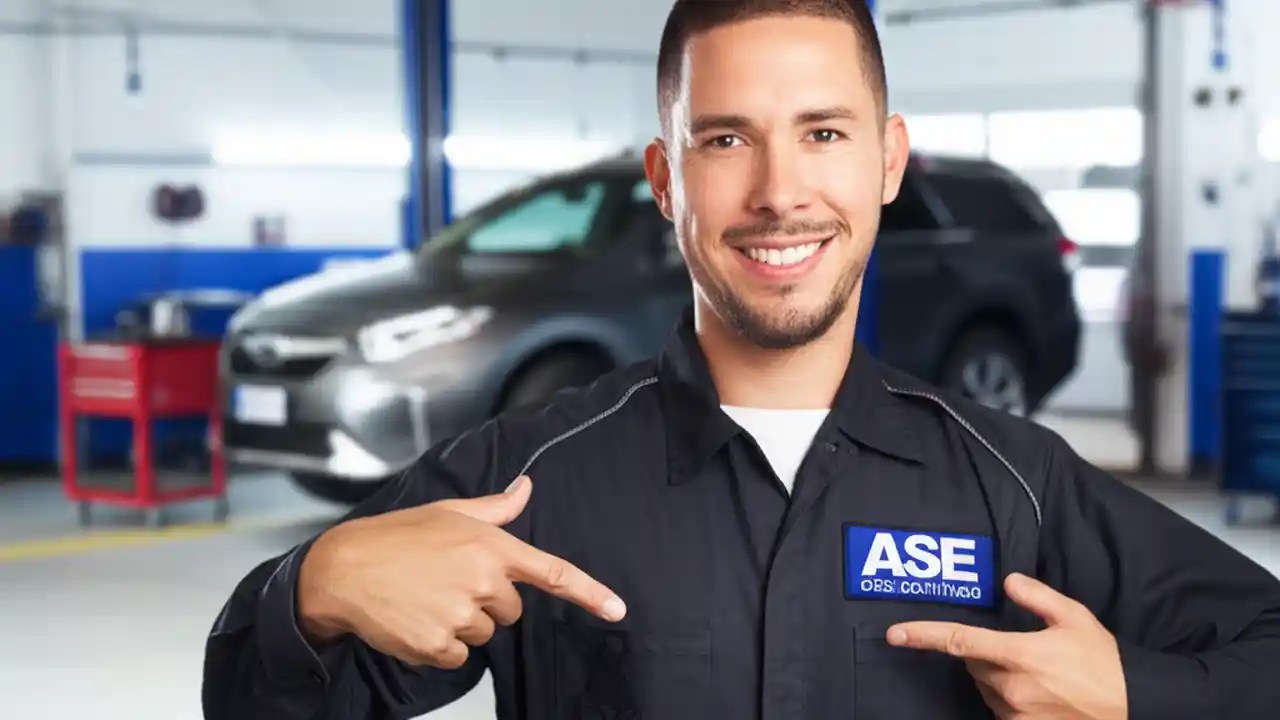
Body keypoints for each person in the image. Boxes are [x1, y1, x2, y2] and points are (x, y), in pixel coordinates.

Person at [203, 1, 1280, 718]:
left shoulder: (1012, 483)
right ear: (665, 179)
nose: (776, 191)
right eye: (724, 139)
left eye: (822, 133)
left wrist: (1132, 693)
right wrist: (314, 591)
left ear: (885, 160)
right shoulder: (530, 480)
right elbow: (247, 693)